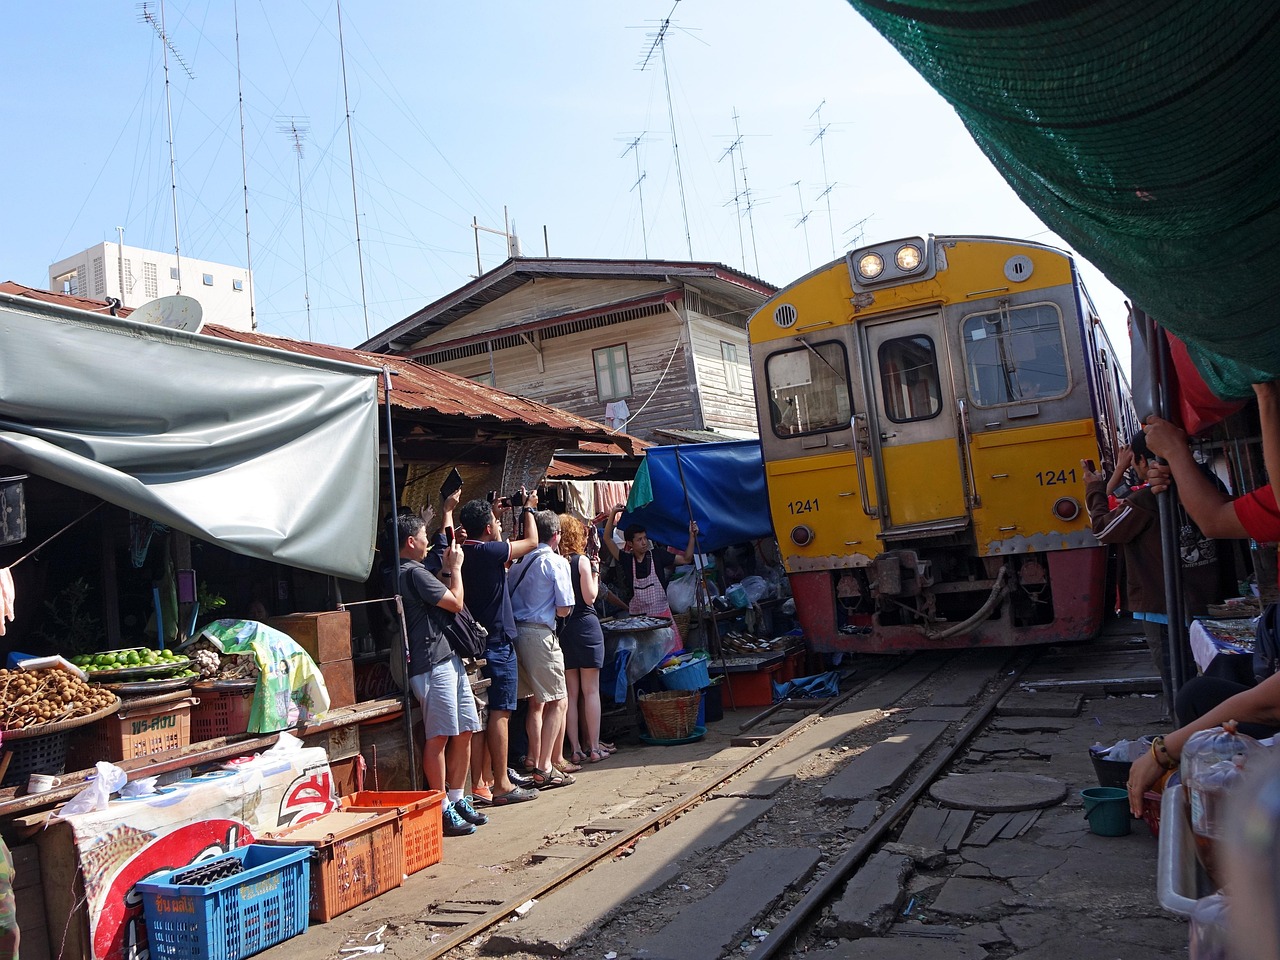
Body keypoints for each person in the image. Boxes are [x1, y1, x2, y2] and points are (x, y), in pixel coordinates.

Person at [1083, 430, 1224, 717]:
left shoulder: (1147, 500)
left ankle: (1184, 739)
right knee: (1214, 680)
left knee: (1178, 684)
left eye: (1135, 464)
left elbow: (1103, 528)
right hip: (1210, 603)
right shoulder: (1209, 485)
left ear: (1145, 462)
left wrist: (1094, 488)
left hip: (1163, 609)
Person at [442, 489, 540, 807]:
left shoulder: (461, 552)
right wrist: (528, 509)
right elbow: (531, 543)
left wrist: (488, 516)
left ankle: (481, 784)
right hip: (497, 643)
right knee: (500, 713)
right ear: (487, 529)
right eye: (495, 521)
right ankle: (501, 783)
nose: (498, 524)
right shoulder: (488, 551)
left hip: (475, 643)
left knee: (483, 716)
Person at [393, 509, 487, 837]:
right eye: (423, 535)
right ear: (410, 541)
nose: (426, 541)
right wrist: (456, 570)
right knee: (440, 736)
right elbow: (457, 603)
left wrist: (446, 570)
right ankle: (441, 805)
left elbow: (443, 598)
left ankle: (458, 797)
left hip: (445, 658)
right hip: (431, 664)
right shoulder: (412, 573)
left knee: (463, 730)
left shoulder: (409, 571)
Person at [508, 510, 575, 789]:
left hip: (517, 633)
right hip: (539, 633)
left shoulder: (520, 563)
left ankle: (535, 758)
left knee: (536, 702)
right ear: (556, 535)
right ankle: (545, 767)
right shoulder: (555, 562)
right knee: (558, 700)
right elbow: (563, 608)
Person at [557, 514, 608, 764]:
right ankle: (595, 747)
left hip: (564, 629)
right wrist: (596, 574)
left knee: (571, 693)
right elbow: (590, 597)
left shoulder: (556, 562)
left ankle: (575, 749)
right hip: (586, 627)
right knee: (591, 692)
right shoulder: (582, 561)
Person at [601, 506, 699, 632]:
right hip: (639, 621)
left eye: (645, 538)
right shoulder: (626, 560)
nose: (644, 542)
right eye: (639, 539)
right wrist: (613, 513)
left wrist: (692, 536)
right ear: (630, 543)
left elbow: (686, 559)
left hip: (662, 618)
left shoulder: (658, 555)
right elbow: (607, 538)